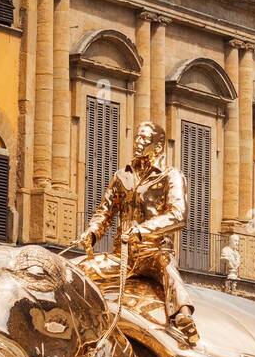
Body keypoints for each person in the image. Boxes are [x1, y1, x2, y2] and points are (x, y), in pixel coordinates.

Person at [76, 121, 199, 344]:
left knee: (168, 270)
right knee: (79, 269)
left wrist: (142, 230)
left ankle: (184, 317)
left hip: (154, 251)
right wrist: (91, 233)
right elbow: (105, 211)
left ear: (158, 147)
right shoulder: (122, 176)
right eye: (137, 137)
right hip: (122, 255)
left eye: (144, 139)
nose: (138, 142)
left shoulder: (171, 176)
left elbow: (178, 215)